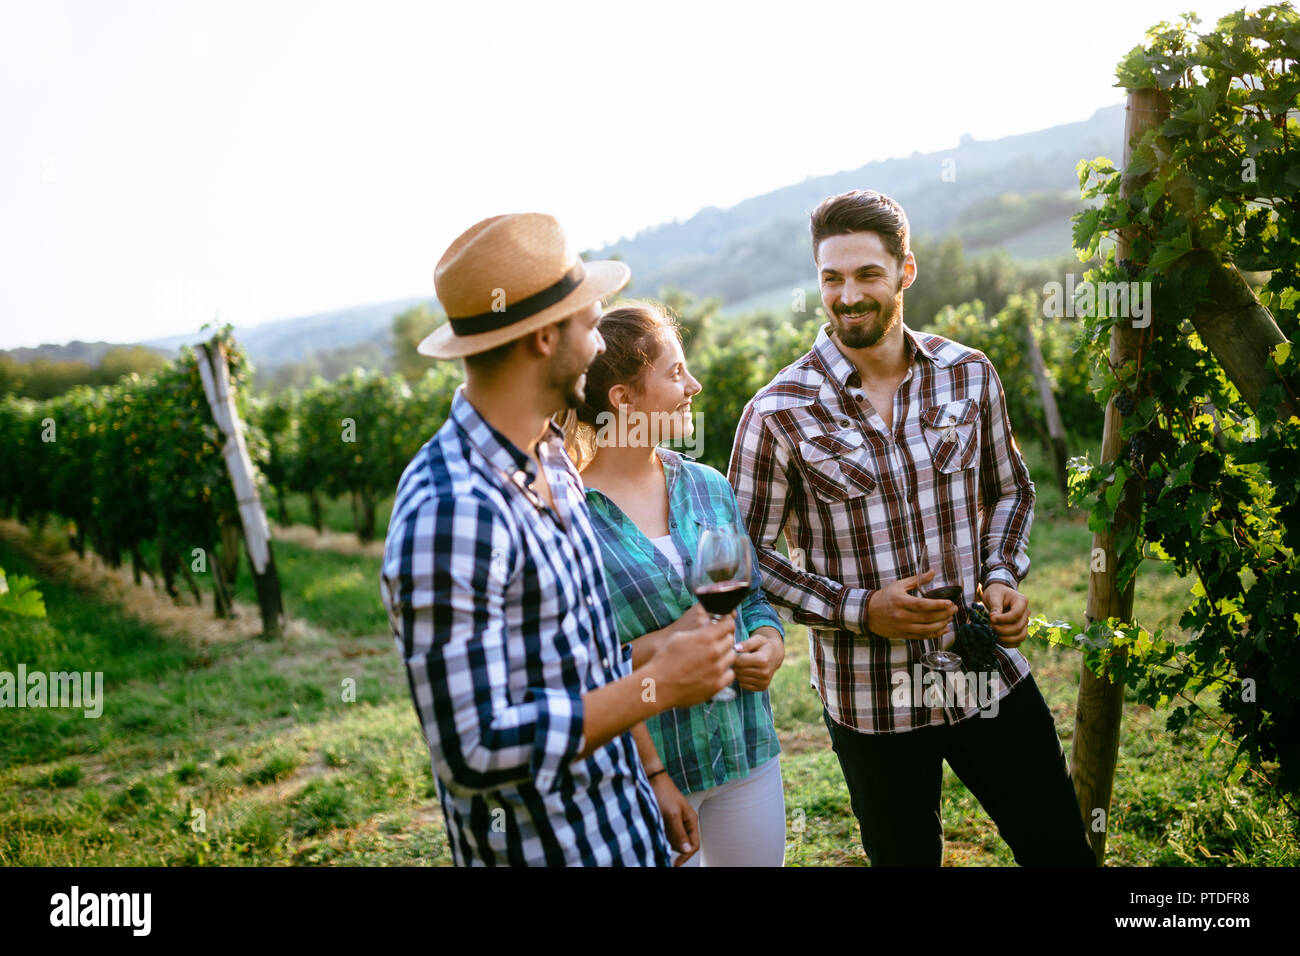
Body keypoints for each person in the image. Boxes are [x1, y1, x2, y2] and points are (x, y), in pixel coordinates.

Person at [727, 189, 1096, 866]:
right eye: (831, 278)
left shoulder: (969, 374)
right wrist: (861, 609)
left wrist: (1001, 575)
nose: (847, 296)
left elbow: (1010, 490)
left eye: (867, 274)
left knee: (1060, 852)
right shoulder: (777, 412)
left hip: (987, 671)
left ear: (906, 272)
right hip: (871, 699)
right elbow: (745, 556)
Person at [380, 213, 737, 866]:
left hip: (624, 832)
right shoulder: (452, 509)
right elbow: (473, 748)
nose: (600, 346)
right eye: (589, 323)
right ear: (545, 338)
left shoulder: (551, 458)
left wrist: (649, 777)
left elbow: (585, 662)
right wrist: (658, 685)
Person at [562, 301, 787, 867]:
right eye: (674, 372)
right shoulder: (569, 518)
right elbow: (574, 665)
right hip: (650, 773)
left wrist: (770, 642)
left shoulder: (708, 486)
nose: (694, 384)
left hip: (744, 749)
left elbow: (752, 596)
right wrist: (662, 644)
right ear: (624, 399)